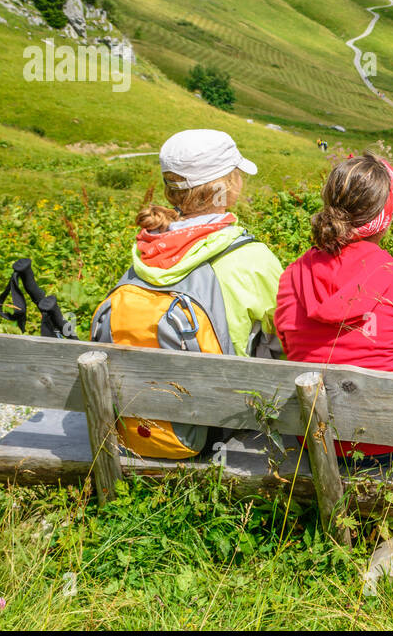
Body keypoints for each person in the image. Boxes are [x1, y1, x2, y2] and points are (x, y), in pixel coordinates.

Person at [91, 129, 283, 459]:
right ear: (230, 184)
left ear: (169, 190)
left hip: (135, 424)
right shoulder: (251, 257)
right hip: (224, 425)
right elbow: (285, 335)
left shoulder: (146, 253)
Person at [275, 152, 393, 467]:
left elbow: (290, 350)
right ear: (386, 215)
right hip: (389, 444)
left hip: (314, 440)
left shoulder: (292, 275)